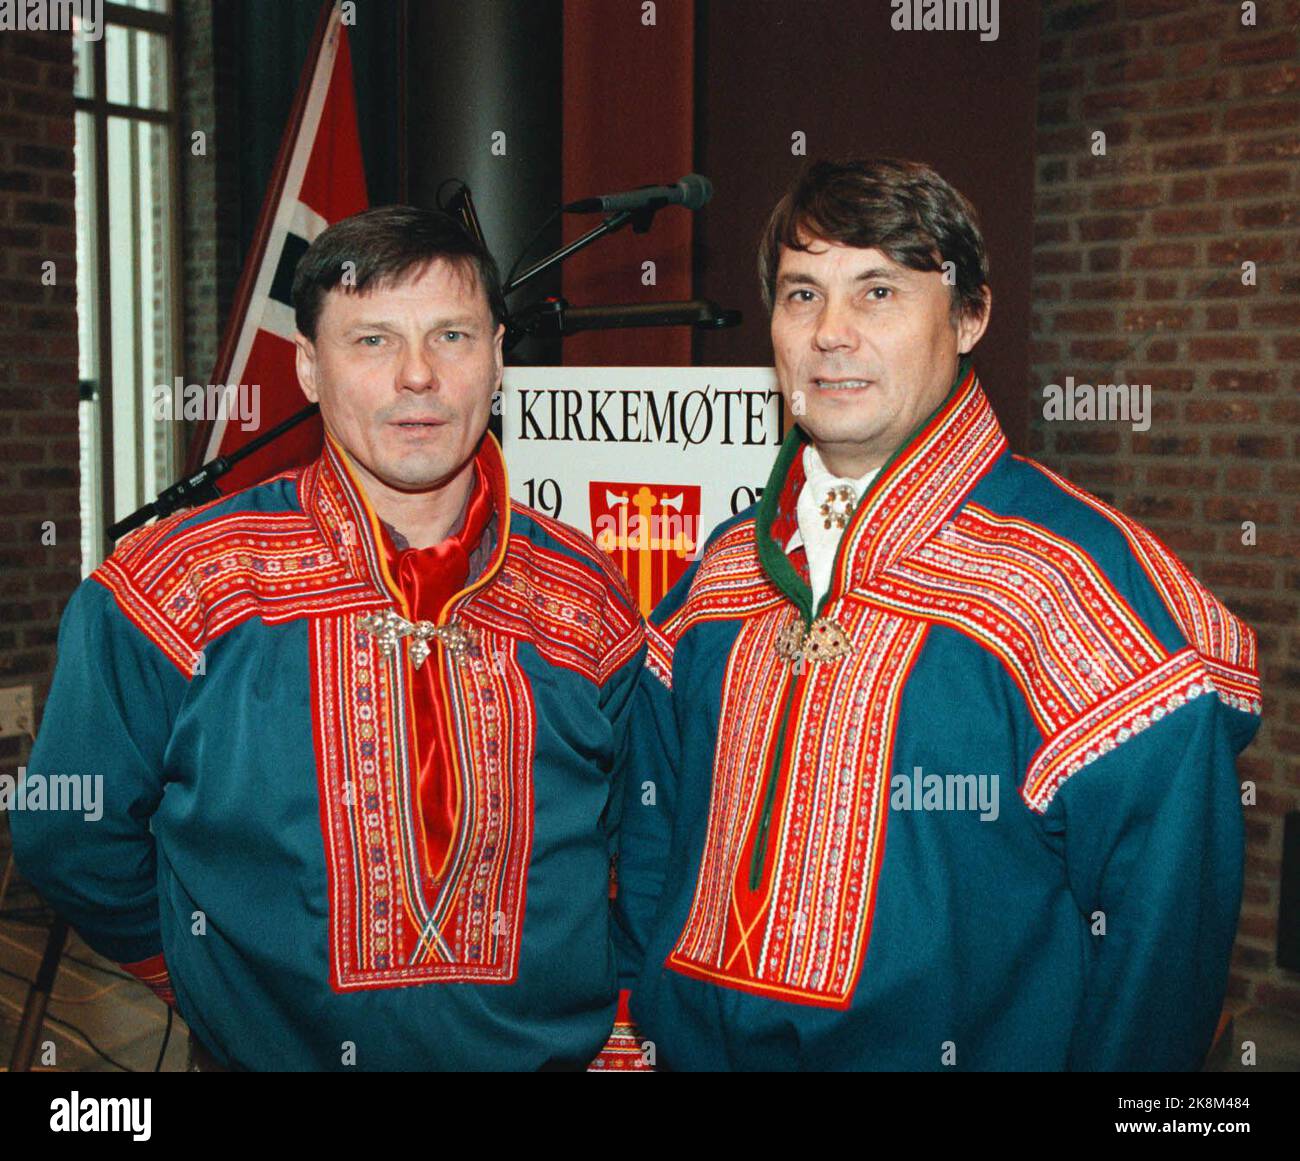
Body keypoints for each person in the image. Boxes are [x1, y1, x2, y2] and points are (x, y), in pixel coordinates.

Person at [614, 158, 1261, 1071]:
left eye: (878, 291)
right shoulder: (717, 578)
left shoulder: (1078, 585)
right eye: (802, 295)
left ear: (969, 316)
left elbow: (1162, 941)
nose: (830, 333)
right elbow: (653, 849)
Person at [13, 206, 645, 1071]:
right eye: (373, 340)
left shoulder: (588, 591)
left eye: (452, 336)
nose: (418, 375)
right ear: (309, 366)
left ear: (499, 358)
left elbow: (636, 842)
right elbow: (68, 829)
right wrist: (196, 975)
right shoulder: (180, 583)